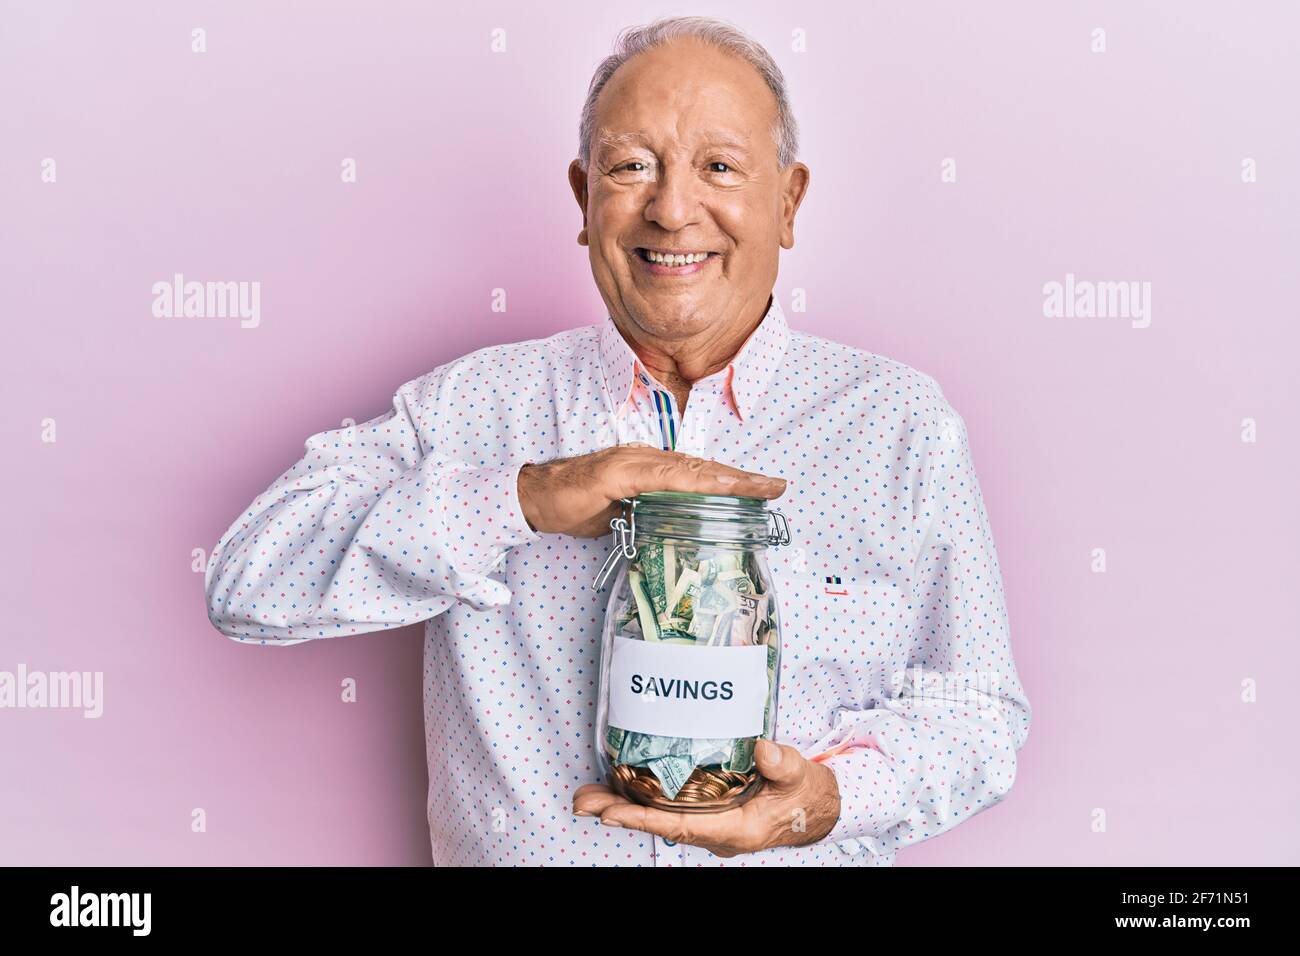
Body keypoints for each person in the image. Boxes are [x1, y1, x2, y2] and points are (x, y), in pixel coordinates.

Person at [205, 15, 1031, 866]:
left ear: (787, 202)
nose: (673, 211)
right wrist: (521, 498)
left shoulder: (897, 425)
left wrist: (834, 798)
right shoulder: (471, 407)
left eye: (719, 168)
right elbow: (245, 582)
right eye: (632, 166)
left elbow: (977, 710)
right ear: (584, 197)